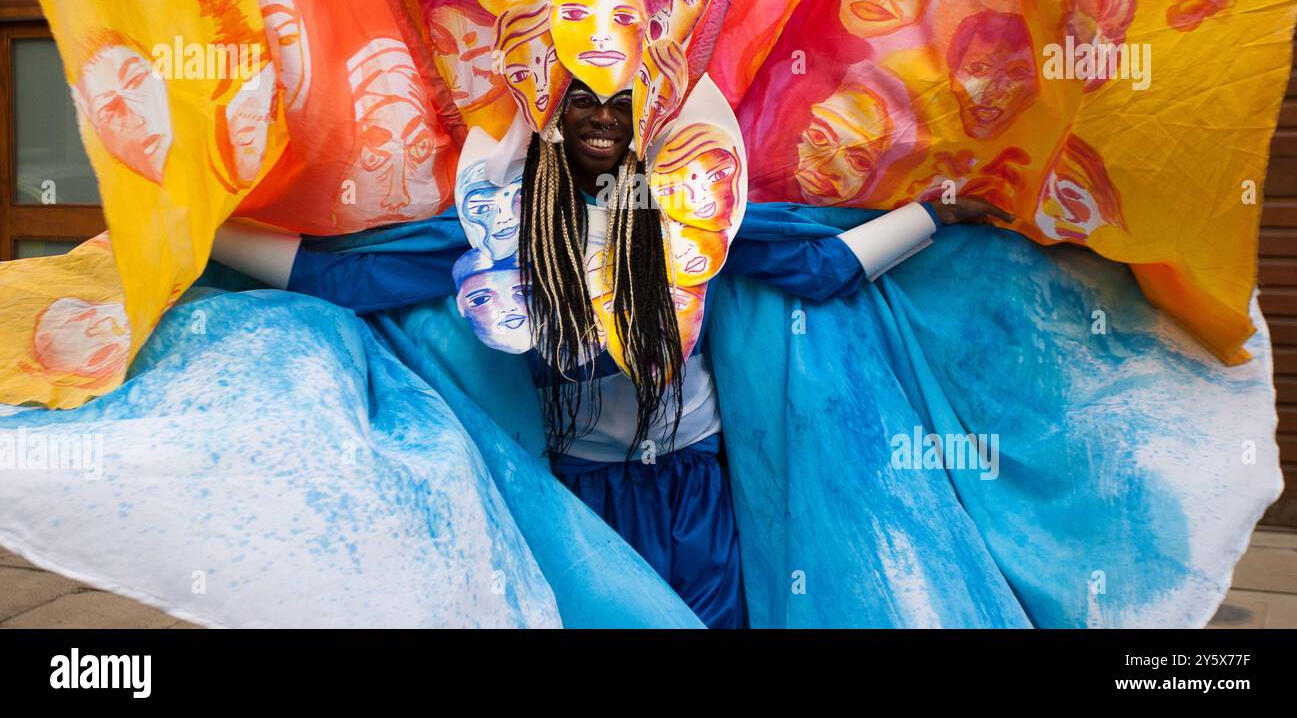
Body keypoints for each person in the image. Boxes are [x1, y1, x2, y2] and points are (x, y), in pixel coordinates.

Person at [210, 77, 1011, 628]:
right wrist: (203, 236)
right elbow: (352, 277)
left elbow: (817, 265)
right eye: (583, 102)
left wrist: (936, 215)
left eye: (620, 103)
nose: (602, 117)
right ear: (553, 117)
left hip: (699, 485)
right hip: (584, 498)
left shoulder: (692, 208)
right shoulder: (506, 221)